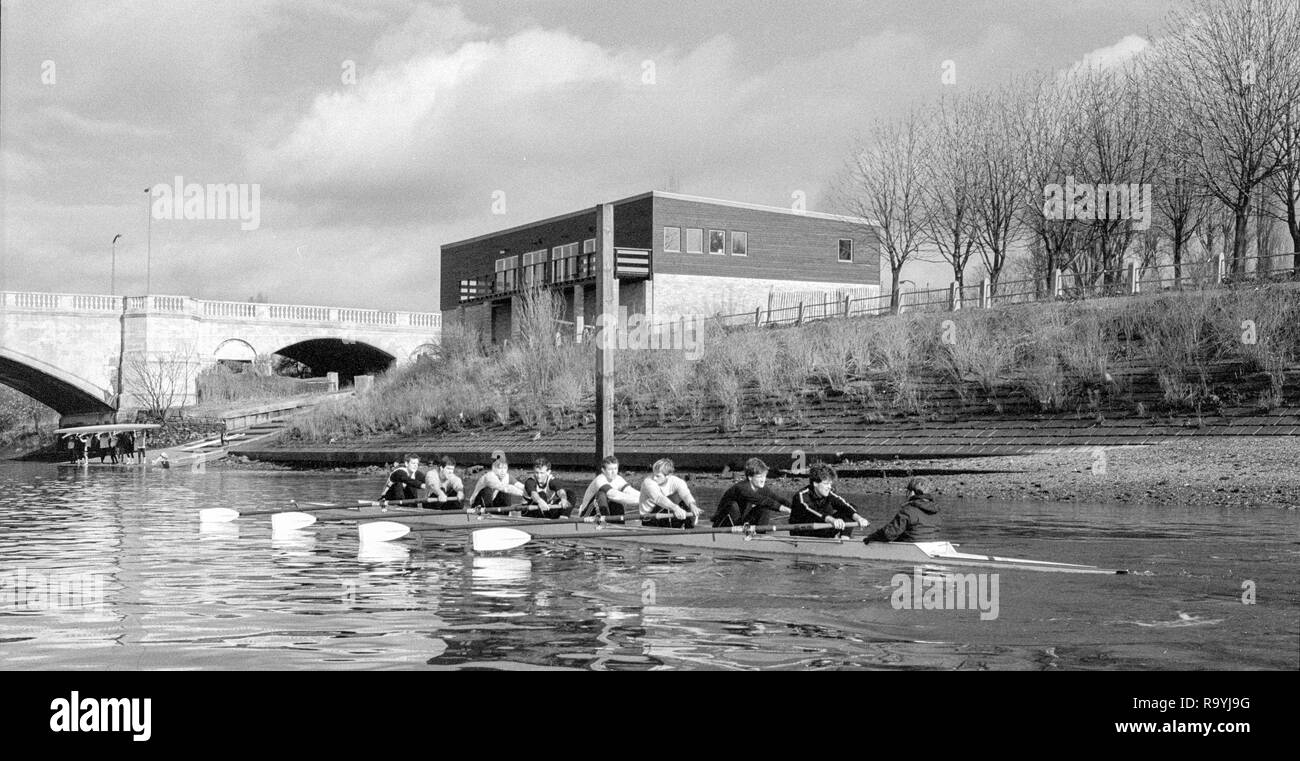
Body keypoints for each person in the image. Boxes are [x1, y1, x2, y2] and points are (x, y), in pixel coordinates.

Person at [788, 463, 870, 538]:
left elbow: (845, 506)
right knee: (829, 516)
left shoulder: (829, 494)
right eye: (826, 484)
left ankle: (845, 539)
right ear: (815, 483)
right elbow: (815, 512)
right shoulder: (801, 496)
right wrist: (833, 520)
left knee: (850, 508)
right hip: (803, 532)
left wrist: (859, 519)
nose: (829, 487)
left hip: (822, 528)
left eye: (830, 484)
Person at [711, 458, 790, 528]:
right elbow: (763, 500)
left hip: (740, 522)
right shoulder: (742, 488)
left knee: (764, 508)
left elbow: (778, 499)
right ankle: (736, 535)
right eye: (759, 477)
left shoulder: (763, 488)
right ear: (750, 477)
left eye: (764, 476)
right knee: (733, 506)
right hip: (722, 525)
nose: (763, 480)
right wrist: (786, 510)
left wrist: (794, 508)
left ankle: (761, 535)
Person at [863, 477, 941, 544]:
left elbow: (889, 534)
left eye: (907, 491)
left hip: (911, 548)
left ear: (912, 492)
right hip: (931, 547)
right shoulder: (936, 511)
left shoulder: (908, 510)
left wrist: (871, 537)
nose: (906, 494)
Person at [639, 458, 702, 528]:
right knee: (673, 500)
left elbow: (686, 495)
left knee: (689, 500)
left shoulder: (677, 481)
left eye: (658, 476)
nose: (654, 478)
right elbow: (659, 499)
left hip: (668, 515)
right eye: (653, 474)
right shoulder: (648, 482)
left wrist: (692, 505)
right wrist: (676, 508)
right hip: (650, 519)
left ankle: (690, 528)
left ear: (668, 475)